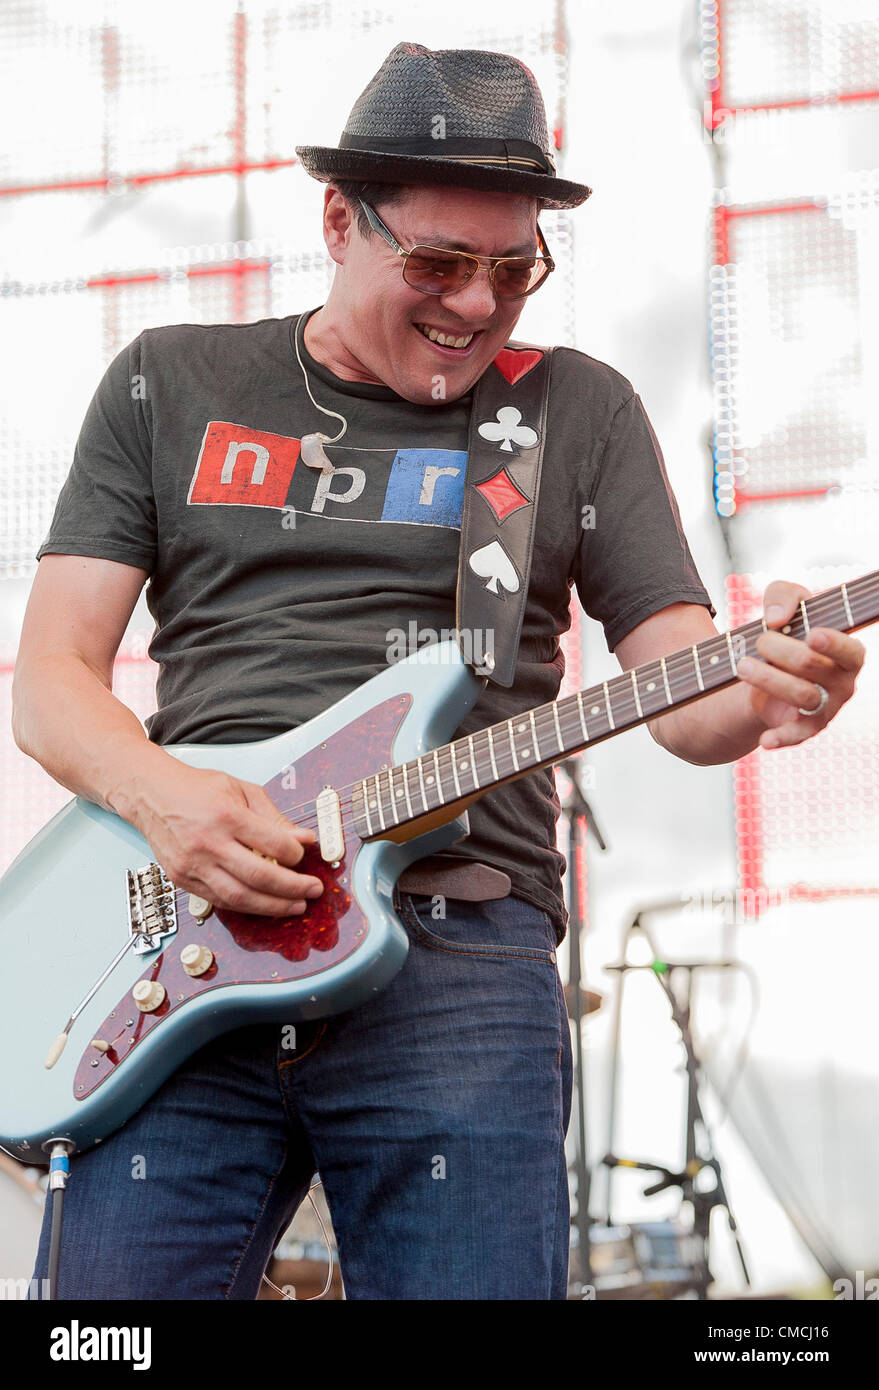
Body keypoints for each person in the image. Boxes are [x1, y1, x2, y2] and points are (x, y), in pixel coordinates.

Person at [16, 43, 864, 1301]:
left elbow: (684, 690)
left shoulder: (575, 410)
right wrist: (168, 802)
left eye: (513, 271)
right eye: (435, 264)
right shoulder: (167, 380)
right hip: (178, 929)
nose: (477, 303)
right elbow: (50, 679)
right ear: (336, 222)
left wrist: (774, 681)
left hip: (456, 948)